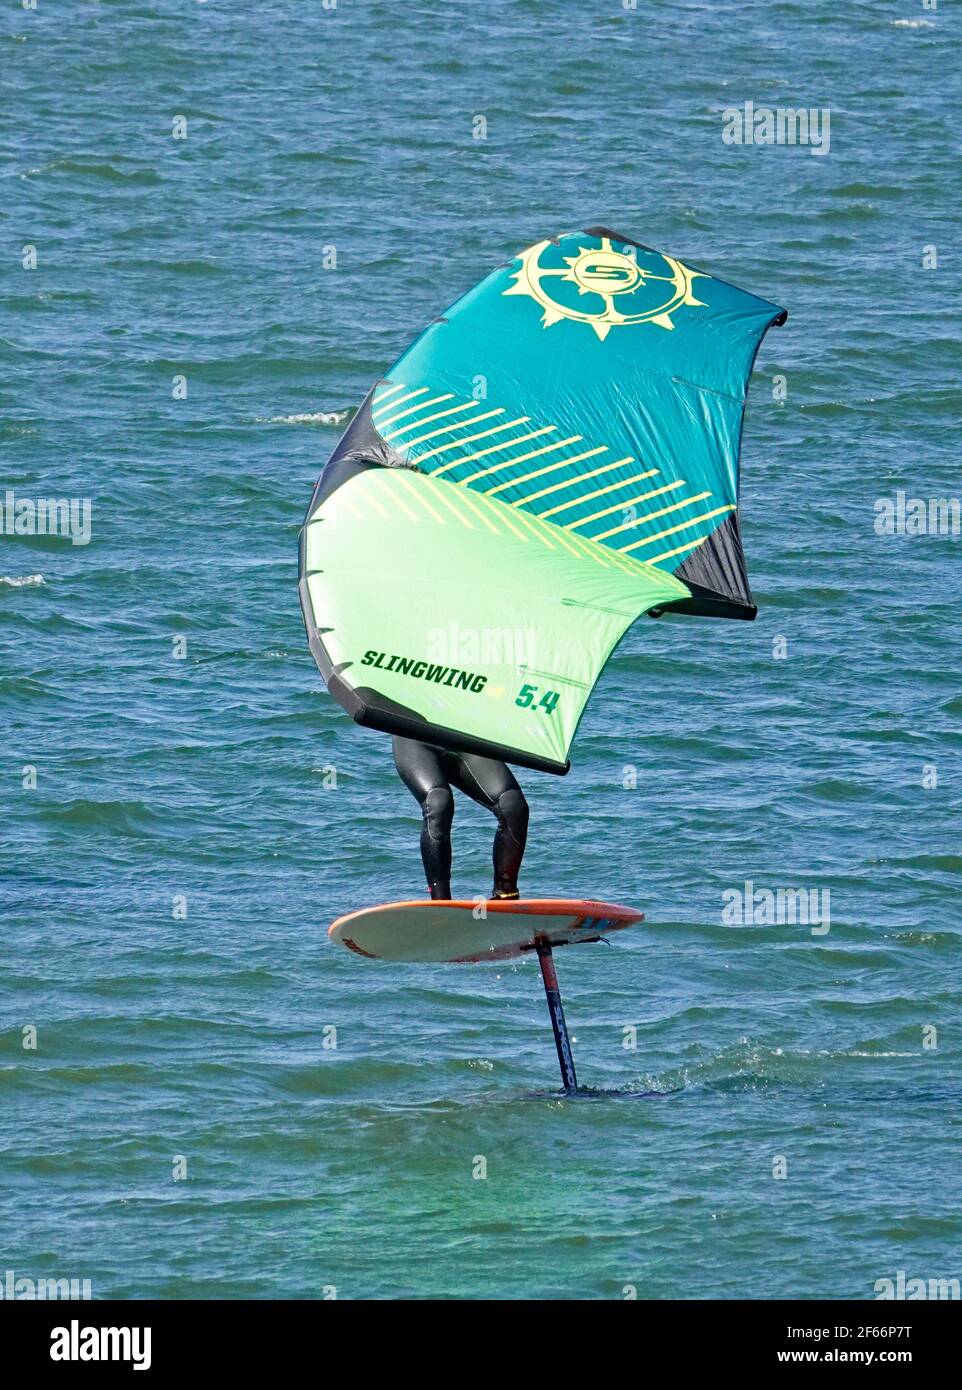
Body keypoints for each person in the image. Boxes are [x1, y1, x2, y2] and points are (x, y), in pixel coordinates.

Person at [392, 736, 529, 901]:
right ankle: (442, 904)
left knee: (512, 806)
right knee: (439, 802)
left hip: (462, 735)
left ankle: (506, 897)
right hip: (413, 736)